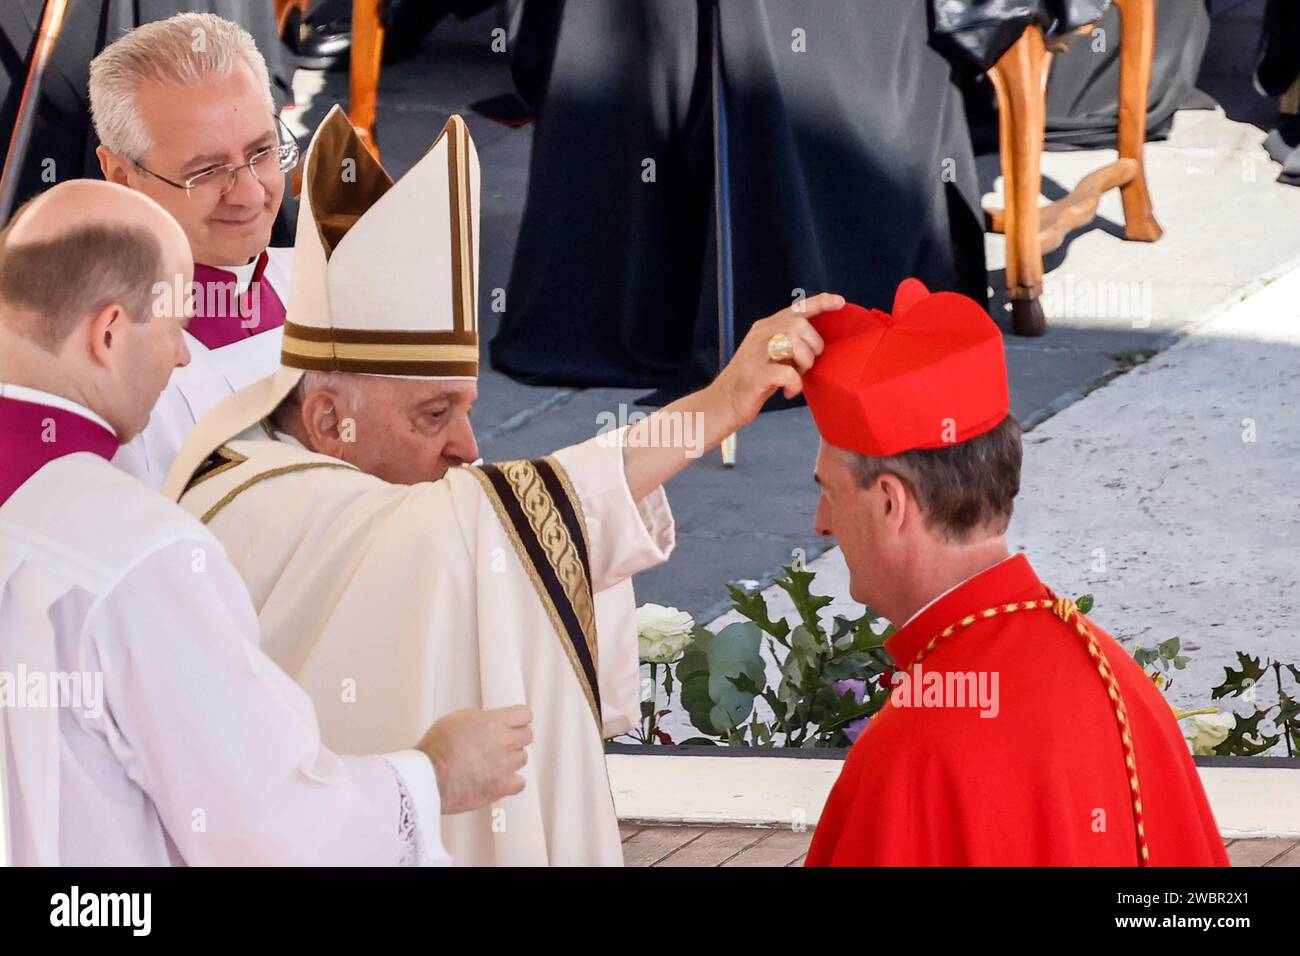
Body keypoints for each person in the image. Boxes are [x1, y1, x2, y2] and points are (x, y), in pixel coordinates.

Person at [163, 105, 837, 865]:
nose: (469, 449)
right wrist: (719, 405)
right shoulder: (262, 496)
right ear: (326, 418)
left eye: (468, 409)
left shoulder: (336, 482)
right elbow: (509, 515)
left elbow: (495, 516)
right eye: (433, 414)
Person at [0, 179, 529, 866]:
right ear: (107, 333)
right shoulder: (138, 551)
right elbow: (268, 830)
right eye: (175, 327)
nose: (184, 355)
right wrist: (433, 776)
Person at [799, 278, 1228, 866]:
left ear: (891, 504)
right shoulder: (1115, 679)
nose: (822, 522)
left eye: (829, 492)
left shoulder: (914, 749)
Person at [89, 13, 296, 488]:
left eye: (262, 153)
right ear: (122, 177)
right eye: (205, 172)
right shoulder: (102, 375)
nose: (248, 194)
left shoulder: (328, 284)